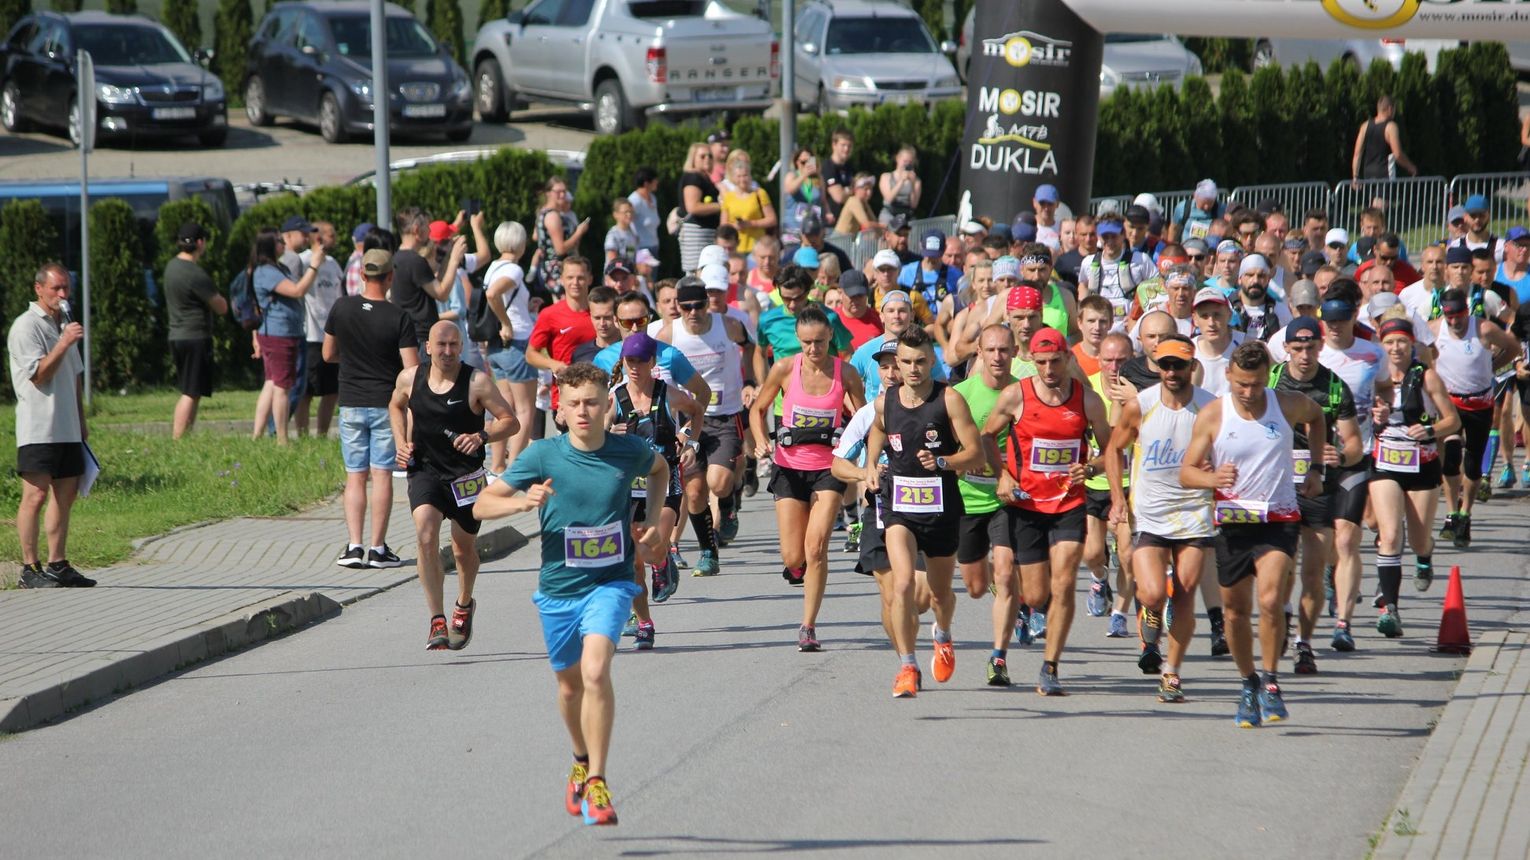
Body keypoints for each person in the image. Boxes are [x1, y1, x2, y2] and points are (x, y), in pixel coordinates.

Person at [473, 362, 670, 827]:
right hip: (559, 589)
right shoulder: (543, 455)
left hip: (613, 581)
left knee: (596, 670)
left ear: (607, 407)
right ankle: (580, 757)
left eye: (593, 404)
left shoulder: (630, 450)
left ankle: (598, 780)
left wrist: (657, 523)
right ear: (559, 407)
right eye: (575, 404)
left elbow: (661, 470)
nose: (584, 412)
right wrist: (522, 502)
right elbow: (483, 503)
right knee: (568, 686)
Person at [1180, 341, 1326, 728]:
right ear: (1228, 375)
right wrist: (1212, 478)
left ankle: (1272, 681)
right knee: (1234, 612)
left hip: (1279, 519)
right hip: (1233, 522)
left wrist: (1315, 468)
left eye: (1257, 384)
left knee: (1273, 597)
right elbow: (1186, 471)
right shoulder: (1213, 415)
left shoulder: (1287, 403)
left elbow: (1317, 418)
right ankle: (1248, 684)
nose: (1248, 392)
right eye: (1241, 384)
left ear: (1268, 377)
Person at [981, 327, 1113, 696]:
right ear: (1032, 362)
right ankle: (1037, 611)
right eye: (1041, 362)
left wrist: (1090, 469)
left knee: (1065, 580)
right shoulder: (1015, 395)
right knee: (1037, 593)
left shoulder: (1087, 401)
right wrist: (1003, 475)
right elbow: (987, 436)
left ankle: (1050, 666)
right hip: (1027, 505)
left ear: (1068, 359)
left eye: (1056, 360)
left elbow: (1110, 451)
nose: (1049, 368)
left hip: (1070, 503)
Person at [862, 327, 985, 697]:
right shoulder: (887, 402)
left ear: (932, 361)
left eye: (920, 362)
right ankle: (907, 666)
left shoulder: (950, 401)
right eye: (906, 362)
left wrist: (944, 461)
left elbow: (975, 453)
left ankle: (943, 635)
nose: (913, 369)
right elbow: (877, 432)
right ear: (896, 364)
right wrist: (870, 465)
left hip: (942, 510)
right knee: (901, 584)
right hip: (900, 508)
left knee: (939, 593)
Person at [390, 320, 517, 651]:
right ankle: (437, 620)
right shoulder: (411, 378)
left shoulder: (476, 382)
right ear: (428, 347)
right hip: (425, 471)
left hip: (465, 477)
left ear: (461, 347)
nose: (447, 351)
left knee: (463, 548)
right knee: (426, 536)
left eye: (453, 345)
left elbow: (511, 422)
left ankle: (463, 603)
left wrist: (481, 437)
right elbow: (395, 405)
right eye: (440, 344)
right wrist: (401, 441)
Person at [1105, 336, 1214, 702]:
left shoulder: (1211, 407)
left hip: (1194, 513)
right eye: (1164, 365)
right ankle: (1151, 612)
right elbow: (1113, 450)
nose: (1171, 372)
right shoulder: (1141, 405)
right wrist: (1118, 499)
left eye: (1178, 365)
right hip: (1150, 514)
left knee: (1184, 592)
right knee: (1151, 592)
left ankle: (1172, 672)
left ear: (1191, 367)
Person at [752, 305, 865, 650]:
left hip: (828, 469)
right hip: (788, 467)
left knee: (816, 547)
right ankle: (796, 568)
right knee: (793, 556)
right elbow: (758, 408)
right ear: (797, 341)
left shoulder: (845, 373)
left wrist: (857, 454)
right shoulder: (785, 368)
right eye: (806, 343)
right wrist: (760, 442)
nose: (814, 350)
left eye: (819, 342)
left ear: (831, 336)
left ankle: (808, 626)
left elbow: (862, 417)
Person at [1268, 317, 1363, 669]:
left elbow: (1354, 443)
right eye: (1298, 348)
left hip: (1319, 486)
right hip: (1278, 484)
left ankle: (1304, 643)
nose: (1305, 355)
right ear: (1288, 348)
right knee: (1280, 569)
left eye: (1311, 348)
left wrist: (1340, 455)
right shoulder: (1272, 381)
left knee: (1313, 570)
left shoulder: (1335, 387)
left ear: (1321, 347)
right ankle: (1283, 616)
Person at [323, 249, 421, 569]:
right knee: (381, 476)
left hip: (350, 402)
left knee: (354, 477)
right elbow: (411, 369)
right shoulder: (399, 317)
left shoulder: (342, 307)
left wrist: (351, 360)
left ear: (362, 275)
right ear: (391, 276)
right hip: (385, 404)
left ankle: (354, 546)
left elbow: (327, 354)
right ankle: (378, 549)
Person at [655, 277, 757, 571]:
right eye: (686, 307)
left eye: (699, 305)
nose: (693, 312)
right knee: (695, 492)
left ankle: (726, 505)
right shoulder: (668, 334)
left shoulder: (727, 326)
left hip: (725, 415)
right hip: (688, 418)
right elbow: (654, 371)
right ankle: (708, 551)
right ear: (678, 307)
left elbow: (750, 347)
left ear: (707, 304)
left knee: (719, 482)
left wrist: (748, 379)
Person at [1369, 313, 1461, 638]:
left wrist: (1431, 429)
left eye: (1401, 342)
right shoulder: (1374, 376)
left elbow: (1453, 421)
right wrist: (1374, 415)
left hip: (1422, 465)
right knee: (1390, 535)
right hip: (1385, 465)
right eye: (1389, 342)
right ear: (1381, 346)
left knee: (1419, 538)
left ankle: (1424, 556)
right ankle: (1390, 609)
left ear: (1412, 345)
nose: (1395, 348)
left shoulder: (1427, 377)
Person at [610, 333, 704, 651]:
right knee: (632, 562)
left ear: (653, 363)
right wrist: (608, 432)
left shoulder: (668, 394)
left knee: (651, 549)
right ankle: (645, 623)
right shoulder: (615, 398)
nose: (634, 368)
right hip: (627, 491)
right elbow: (591, 436)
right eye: (629, 361)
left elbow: (697, 410)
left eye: (641, 361)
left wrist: (687, 439)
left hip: (665, 486)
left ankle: (662, 562)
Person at [10, 263, 94, 589]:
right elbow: (39, 374)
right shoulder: (26, 327)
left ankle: (57, 563)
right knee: (35, 495)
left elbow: (74, 378)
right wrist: (62, 343)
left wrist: (82, 422)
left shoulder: (65, 324)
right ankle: (29, 568)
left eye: (66, 289)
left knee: (66, 494)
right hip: (38, 426)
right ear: (38, 289)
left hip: (67, 426)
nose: (62, 295)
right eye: (56, 289)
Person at [952, 325, 1022, 684]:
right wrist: (966, 459)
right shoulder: (960, 395)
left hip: (1007, 498)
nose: (998, 357)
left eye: (1004, 350)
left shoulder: (1023, 393)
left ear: (1014, 352)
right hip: (967, 501)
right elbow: (944, 448)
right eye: (990, 350)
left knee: (1007, 570)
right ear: (978, 352)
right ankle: (997, 585)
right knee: (976, 587)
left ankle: (998, 658)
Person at [1433, 288, 1520, 547]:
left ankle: (1465, 514)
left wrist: (1491, 366)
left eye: (1459, 315)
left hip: (1479, 402)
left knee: (1472, 464)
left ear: (1466, 311)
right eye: (1449, 316)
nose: (1454, 321)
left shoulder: (1483, 328)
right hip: (1450, 403)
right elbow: (1419, 351)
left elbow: (1513, 347)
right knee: (1450, 459)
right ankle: (1450, 514)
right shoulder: (1434, 328)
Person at [1082, 333, 1136, 638]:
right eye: (1108, 360)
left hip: (1130, 483)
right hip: (1094, 481)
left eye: (1121, 360)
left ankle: (1119, 613)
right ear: (1099, 360)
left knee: (1127, 554)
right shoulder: (1088, 389)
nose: (1114, 367)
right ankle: (1099, 577)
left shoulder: (1140, 392)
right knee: (1091, 553)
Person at [249, 227, 320, 445]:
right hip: (280, 334)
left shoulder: (274, 267)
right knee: (283, 387)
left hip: (278, 333)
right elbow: (297, 290)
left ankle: (257, 436)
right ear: (270, 246)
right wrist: (315, 264)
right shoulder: (267, 271)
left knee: (272, 383)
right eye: (279, 241)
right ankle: (282, 438)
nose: (283, 244)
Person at [484, 221, 539, 474]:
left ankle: (496, 465)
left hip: (496, 347)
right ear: (521, 243)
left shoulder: (492, 267)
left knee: (503, 409)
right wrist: (507, 323)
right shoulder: (514, 270)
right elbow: (493, 295)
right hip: (517, 343)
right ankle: (514, 469)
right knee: (525, 409)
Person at [163, 221, 227, 440]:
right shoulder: (194, 273)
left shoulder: (171, 267)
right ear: (200, 242)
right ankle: (179, 439)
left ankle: (186, 436)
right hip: (195, 336)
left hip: (177, 334)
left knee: (192, 389)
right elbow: (220, 306)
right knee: (190, 391)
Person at [527, 256, 600, 417]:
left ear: (590, 279)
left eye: (580, 278)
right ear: (562, 279)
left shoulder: (600, 313)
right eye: (570, 277)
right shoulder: (549, 314)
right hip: (566, 395)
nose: (575, 282)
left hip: (599, 393)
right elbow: (530, 355)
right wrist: (552, 364)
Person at [392, 208, 465, 352]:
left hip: (410, 334)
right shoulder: (415, 261)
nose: (429, 231)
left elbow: (436, 283)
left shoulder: (399, 257)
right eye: (427, 226)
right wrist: (455, 260)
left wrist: (449, 256)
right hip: (420, 337)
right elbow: (442, 293)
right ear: (416, 230)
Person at [297, 220, 344, 437]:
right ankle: (303, 433)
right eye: (330, 235)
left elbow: (339, 294)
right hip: (310, 333)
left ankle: (322, 434)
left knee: (332, 390)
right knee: (306, 390)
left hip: (331, 333)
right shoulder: (303, 261)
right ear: (318, 237)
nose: (335, 239)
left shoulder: (334, 264)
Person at [536, 177, 590, 292]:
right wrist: (579, 232)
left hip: (550, 268)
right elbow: (560, 249)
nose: (562, 195)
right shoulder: (553, 216)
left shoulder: (544, 212)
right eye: (558, 192)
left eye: (564, 191)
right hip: (556, 269)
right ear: (548, 193)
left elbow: (536, 236)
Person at [719, 150, 776, 254]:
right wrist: (735, 226)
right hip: (736, 247)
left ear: (750, 176)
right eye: (739, 176)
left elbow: (772, 219)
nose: (742, 179)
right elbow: (723, 224)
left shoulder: (759, 193)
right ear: (733, 177)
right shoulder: (729, 197)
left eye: (745, 175)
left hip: (756, 246)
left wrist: (750, 223)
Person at [1352, 95, 1418, 183]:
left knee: (1374, 197)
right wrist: (1410, 167)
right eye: (1394, 109)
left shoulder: (1365, 126)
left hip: (1368, 173)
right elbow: (1397, 154)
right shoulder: (1391, 127)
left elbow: (1357, 153)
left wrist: (1355, 176)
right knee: (1382, 197)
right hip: (1384, 173)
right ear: (1390, 109)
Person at [878, 146, 922, 225]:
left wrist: (912, 183)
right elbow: (888, 199)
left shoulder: (916, 181)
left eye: (910, 162)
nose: (907, 164)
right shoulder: (886, 177)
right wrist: (901, 181)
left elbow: (914, 204)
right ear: (898, 158)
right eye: (905, 161)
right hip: (889, 214)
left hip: (907, 215)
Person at [821, 127, 855, 226]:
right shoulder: (827, 167)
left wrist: (846, 190)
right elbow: (839, 197)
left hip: (847, 224)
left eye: (849, 146)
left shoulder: (849, 167)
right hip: (831, 225)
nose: (846, 149)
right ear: (834, 145)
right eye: (843, 145)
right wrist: (851, 189)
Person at [628, 167, 662, 260]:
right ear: (646, 183)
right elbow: (628, 224)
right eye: (655, 180)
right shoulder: (634, 201)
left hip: (654, 245)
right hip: (641, 248)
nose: (657, 182)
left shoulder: (653, 198)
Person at [833, 173, 879, 237]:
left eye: (871, 189)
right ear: (856, 189)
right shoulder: (854, 201)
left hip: (847, 241)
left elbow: (874, 221)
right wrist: (884, 226)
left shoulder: (864, 203)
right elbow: (866, 224)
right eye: (866, 189)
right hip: (839, 240)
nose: (869, 192)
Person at [604, 198, 640, 265]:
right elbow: (613, 260)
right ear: (615, 214)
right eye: (625, 212)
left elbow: (631, 256)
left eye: (631, 212)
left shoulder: (632, 233)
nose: (629, 215)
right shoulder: (613, 235)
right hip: (616, 273)